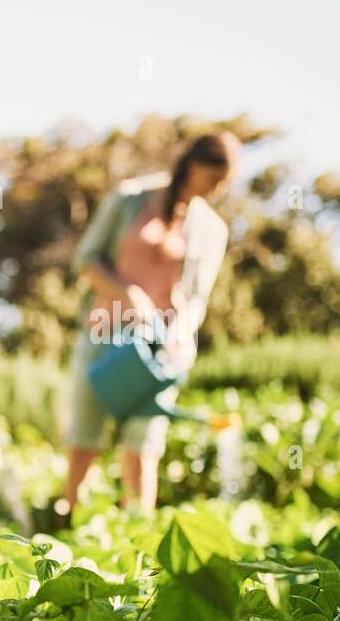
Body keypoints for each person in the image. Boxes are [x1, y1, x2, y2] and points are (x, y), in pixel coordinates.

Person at [59, 131, 240, 516]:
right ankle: (65, 519)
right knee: (84, 438)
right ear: (192, 164)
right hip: (105, 330)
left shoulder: (212, 230)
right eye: (212, 177)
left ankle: (137, 532)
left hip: (159, 351)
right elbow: (86, 259)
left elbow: (196, 299)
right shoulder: (131, 198)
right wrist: (131, 297)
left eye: (224, 182)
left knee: (143, 445)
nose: (217, 188)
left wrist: (176, 336)